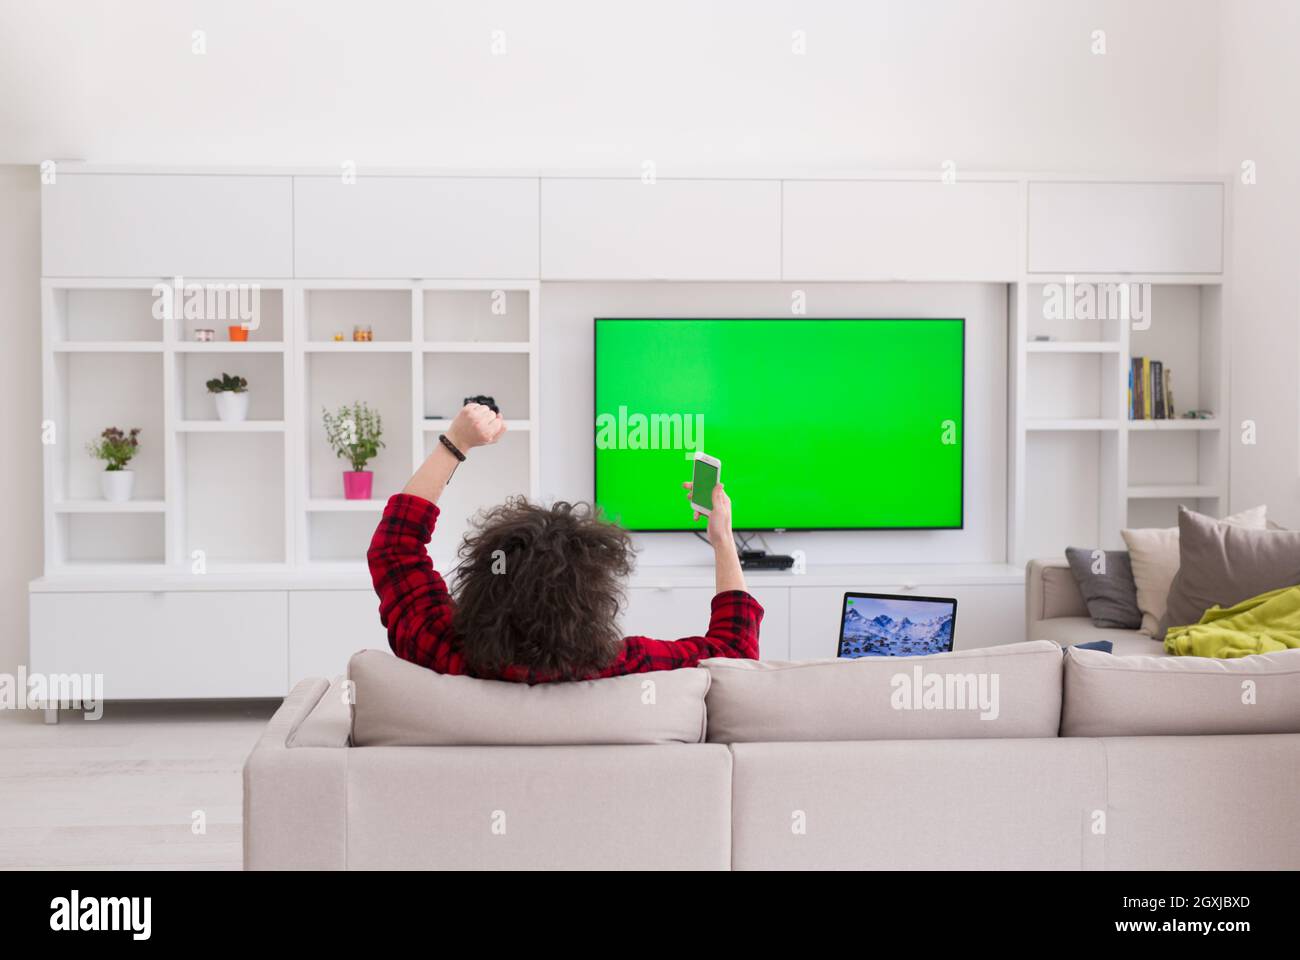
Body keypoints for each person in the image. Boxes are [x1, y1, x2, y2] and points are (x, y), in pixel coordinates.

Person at [368, 402, 762, 682]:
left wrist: (455, 442)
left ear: (484, 583)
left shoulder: (442, 651)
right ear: (592, 600)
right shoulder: (624, 669)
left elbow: (395, 549)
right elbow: (735, 654)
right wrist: (723, 540)